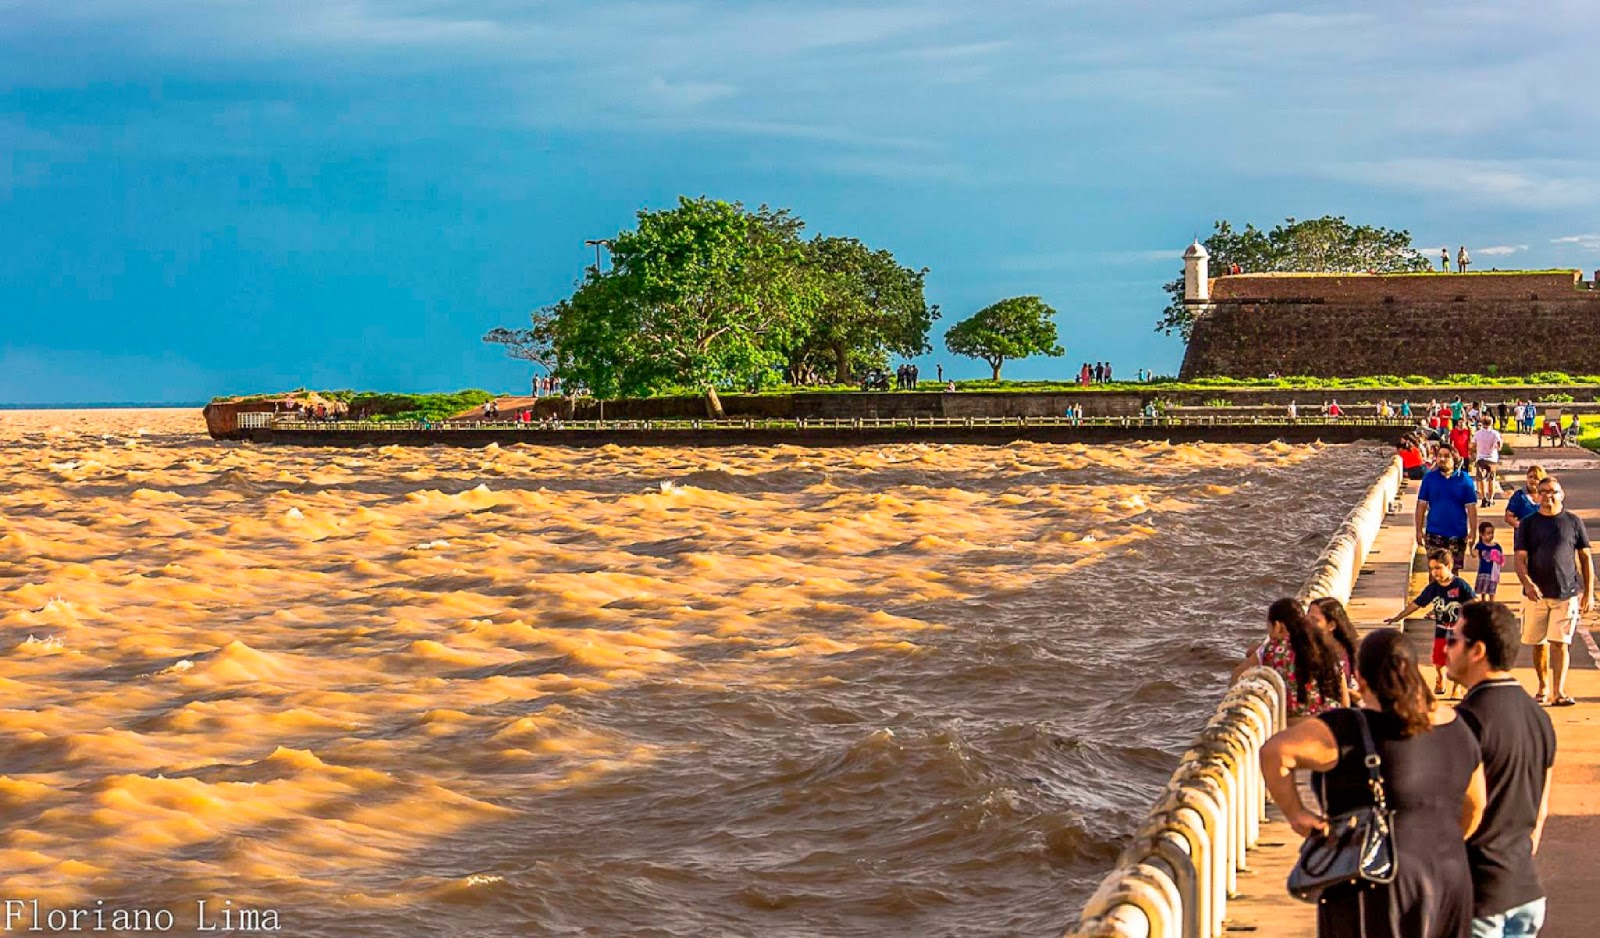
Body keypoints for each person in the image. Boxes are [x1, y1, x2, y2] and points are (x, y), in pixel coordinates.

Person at [1260, 628, 1486, 938]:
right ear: (1414, 670)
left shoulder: (1346, 728)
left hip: (1374, 879)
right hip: (1447, 874)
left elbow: (1275, 752)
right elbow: (1475, 807)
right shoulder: (1458, 727)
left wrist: (1296, 813)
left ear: (1361, 678)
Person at [1446, 602, 1556, 936]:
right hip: (1525, 888)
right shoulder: (1538, 717)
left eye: (1453, 640)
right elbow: (1540, 810)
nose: (1445, 649)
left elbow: (1468, 805)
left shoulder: (1465, 722)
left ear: (1477, 650)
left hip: (1480, 895)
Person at [1514, 473, 1595, 706]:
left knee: (1560, 642)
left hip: (1566, 593)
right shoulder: (1528, 524)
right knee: (1538, 643)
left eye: (1553, 492)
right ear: (1537, 496)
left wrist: (1588, 592)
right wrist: (1527, 583)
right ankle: (1543, 686)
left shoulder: (1573, 522)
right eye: (1544, 492)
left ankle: (1558, 692)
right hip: (1535, 595)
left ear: (1562, 495)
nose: (1549, 496)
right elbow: (1520, 558)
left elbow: (1585, 558)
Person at [1234, 598, 1349, 719]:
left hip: (1296, 725)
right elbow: (1344, 699)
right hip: (1333, 720)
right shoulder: (1324, 645)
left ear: (1278, 626)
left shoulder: (1272, 649)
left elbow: (1236, 677)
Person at [1386, 547, 1476, 696]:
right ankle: (1440, 678)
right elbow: (1417, 603)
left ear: (1449, 566)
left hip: (1458, 631)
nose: (1435, 573)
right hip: (1441, 629)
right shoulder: (1433, 588)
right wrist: (1398, 617)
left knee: (1458, 660)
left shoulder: (1460, 585)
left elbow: (1474, 603)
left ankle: (1456, 688)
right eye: (1432, 569)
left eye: (1438, 568)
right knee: (1439, 660)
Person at [1417, 446, 1480, 572]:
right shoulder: (1429, 479)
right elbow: (1421, 505)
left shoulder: (1464, 479)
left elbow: (1471, 508)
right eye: (1439, 455)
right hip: (1434, 533)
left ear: (1454, 459)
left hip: (1457, 534)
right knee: (1435, 572)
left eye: (1446, 456)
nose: (1441, 459)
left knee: (1453, 573)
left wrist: (1473, 531)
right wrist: (1419, 530)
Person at [1308, 596, 1362, 697]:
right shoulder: (1307, 648)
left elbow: (1364, 693)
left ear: (1331, 625)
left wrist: (1345, 691)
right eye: (1307, 619)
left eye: (1315, 620)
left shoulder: (1350, 651)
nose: (1308, 624)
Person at [1472, 415, 1504, 507]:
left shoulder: (1477, 433)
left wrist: (1475, 452)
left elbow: (1473, 445)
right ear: (1492, 423)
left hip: (1481, 458)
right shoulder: (1495, 433)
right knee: (1491, 479)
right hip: (1492, 458)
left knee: (1481, 479)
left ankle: (1483, 498)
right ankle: (1491, 498)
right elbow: (1499, 447)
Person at [1504, 466, 1546, 531]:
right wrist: (1520, 525)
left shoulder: (1547, 496)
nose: (1532, 480)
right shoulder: (1519, 496)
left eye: (1536, 478)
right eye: (1530, 477)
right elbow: (1508, 516)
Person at [1475, 522, 1505, 602]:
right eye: (1488, 533)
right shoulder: (1480, 546)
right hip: (1483, 572)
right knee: (1483, 591)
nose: (1491, 535)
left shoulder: (1496, 546)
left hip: (1493, 573)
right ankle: (1483, 603)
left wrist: (1497, 557)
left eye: (1492, 533)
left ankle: (1491, 605)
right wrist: (1471, 545)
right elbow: (1474, 554)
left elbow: (1501, 559)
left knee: (1492, 592)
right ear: (1481, 534)